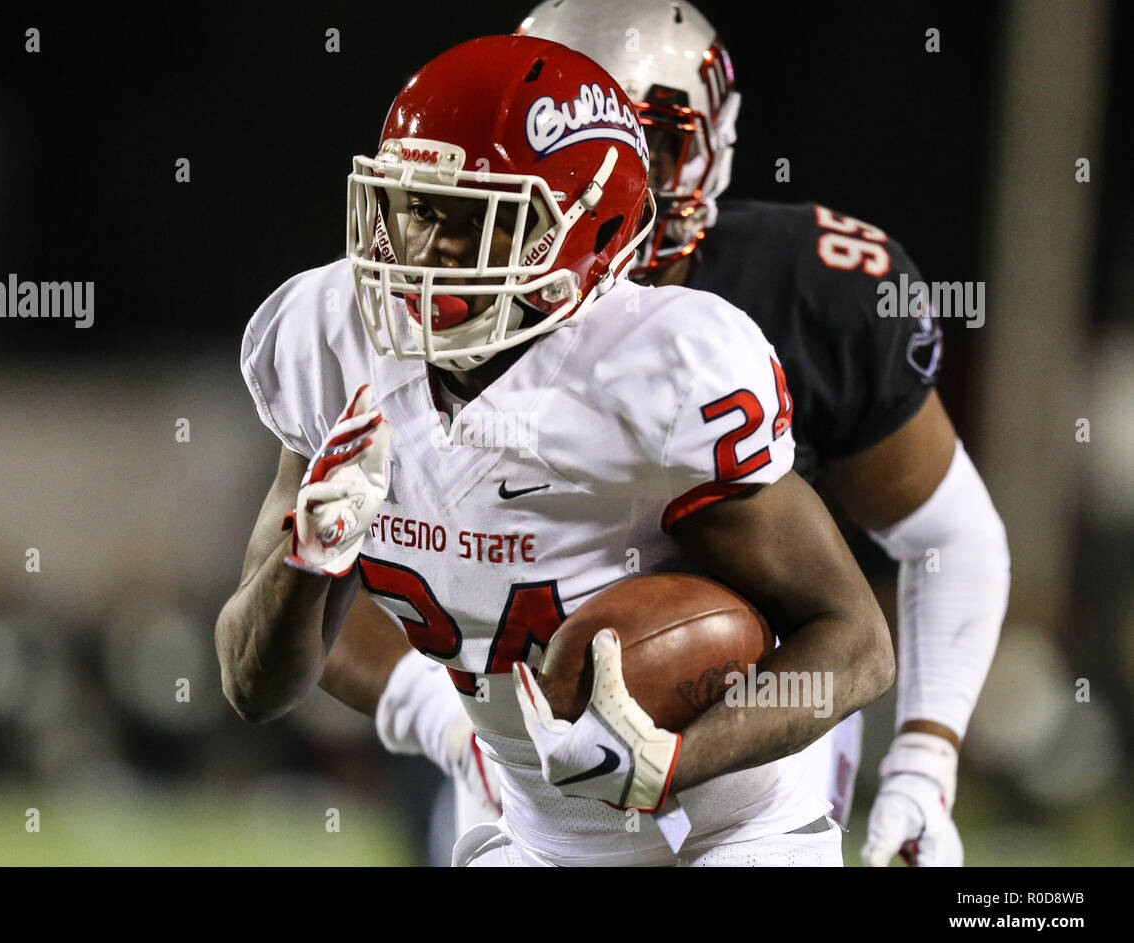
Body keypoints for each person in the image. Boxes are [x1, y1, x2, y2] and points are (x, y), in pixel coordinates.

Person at [221, 33, 894, 866]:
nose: (428, 255)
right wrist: (307, 560)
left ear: (590, 231)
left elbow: (855, 642)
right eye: (420, 209)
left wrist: (669, 763)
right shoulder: (332, 345)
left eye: (475, 222)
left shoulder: (659, 374)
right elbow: (253, 688)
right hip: (536, 840)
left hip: (730, 835)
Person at [368, 0, 1011, 867]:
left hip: (756, 740)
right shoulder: (421, 312)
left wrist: (924, 765)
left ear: (709, 141)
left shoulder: (810, 291)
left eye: (651, 139)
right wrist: (448, 721)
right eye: (579, 151)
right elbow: (322, 573)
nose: (616, 176)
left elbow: (945, 537)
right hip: (521, 740)